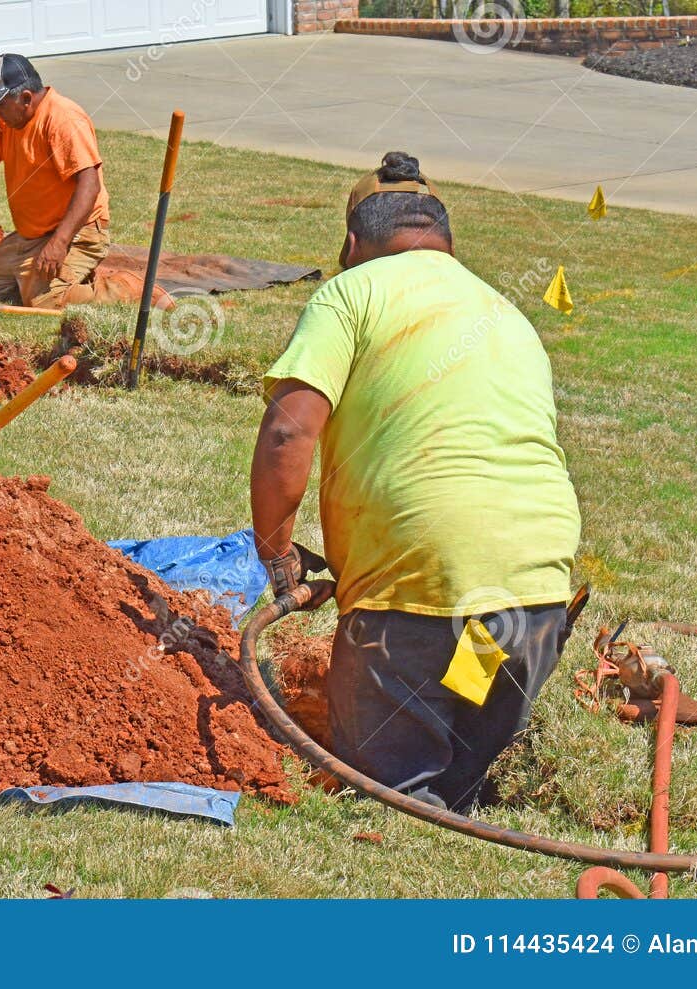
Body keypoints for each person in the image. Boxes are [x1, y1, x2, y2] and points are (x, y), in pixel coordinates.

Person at [249, 151, 582, 812]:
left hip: (418, 605)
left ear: (352, 243)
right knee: (459, 760)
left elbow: (289, 432)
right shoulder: (507, 315)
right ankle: (454, 791)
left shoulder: (351, 293)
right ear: (445, 243)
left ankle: (411, 811)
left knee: (391, 797)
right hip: (532, 606)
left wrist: (278, 552)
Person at [0, 54, 139, 308]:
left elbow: (90, 184)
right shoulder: (9, 124)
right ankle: (59, 280)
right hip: (32, 237)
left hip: (78, 232)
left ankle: (125, 289)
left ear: (26, 98)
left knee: (44, 302)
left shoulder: (63, 119)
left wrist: (59, 243)